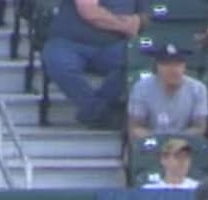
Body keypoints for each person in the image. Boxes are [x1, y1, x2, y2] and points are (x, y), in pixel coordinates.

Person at [41, 0, 145, 129]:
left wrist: (140, 20)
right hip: (69, 42)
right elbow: (89, 12)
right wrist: (126, 25)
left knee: (140, 58)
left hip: (115, 45)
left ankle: (96, 110)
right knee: (58, 62)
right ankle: (100, 112)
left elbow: (148, 14)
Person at [128, 43, 208, 141]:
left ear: (184, 66)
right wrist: (161, 141)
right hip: (151, 145)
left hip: (185, 147)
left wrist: (175, 142)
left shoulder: (198, 89)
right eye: (167, 64)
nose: (173, 69)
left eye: (178, 64)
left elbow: (199, 128)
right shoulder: (141, 88)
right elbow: (135, 128)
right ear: (157, 67)